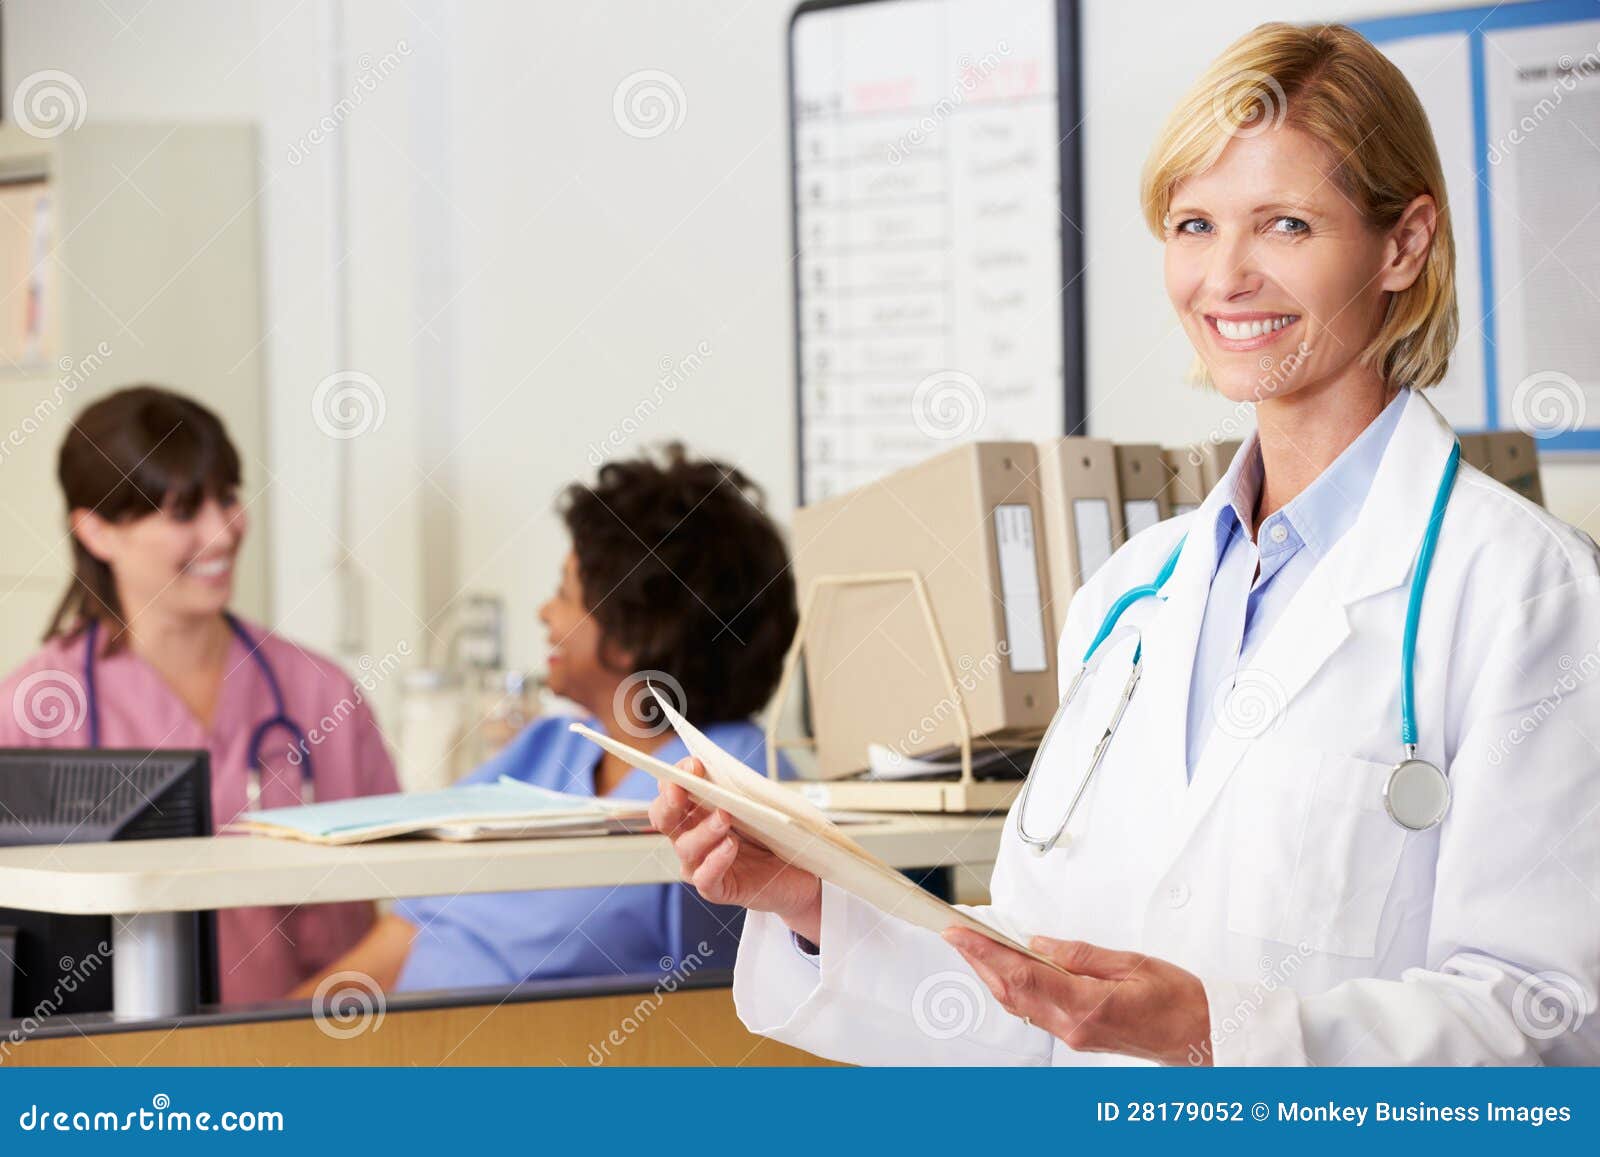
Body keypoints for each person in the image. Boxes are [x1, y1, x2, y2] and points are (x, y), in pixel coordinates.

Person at [651, 22, 1600, 1066]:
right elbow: (1037, 998)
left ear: (1403, 244)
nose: (1226, 276)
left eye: (1284, 224)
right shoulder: (1129, 594)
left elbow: (1547, 1026)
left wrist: (1219, 1033)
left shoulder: (1525, 594)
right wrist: (808, 899)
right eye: (1192, 224)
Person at [296, 444, 798, 993]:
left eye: (564, 593)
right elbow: (414, 922)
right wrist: (281, 1037)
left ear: (633, 634)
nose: (543, 613)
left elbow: (728, 1003)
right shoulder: (549, 745)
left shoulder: (737, 782)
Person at [0, 385, 401, 1004]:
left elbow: (416, 907)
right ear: (97, 531)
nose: (222, 533)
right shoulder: (35, 711)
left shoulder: (322, 696)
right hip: (113, 1077)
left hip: (317, 1058)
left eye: (228, 498)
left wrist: (282, 1042)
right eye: (184, 512)